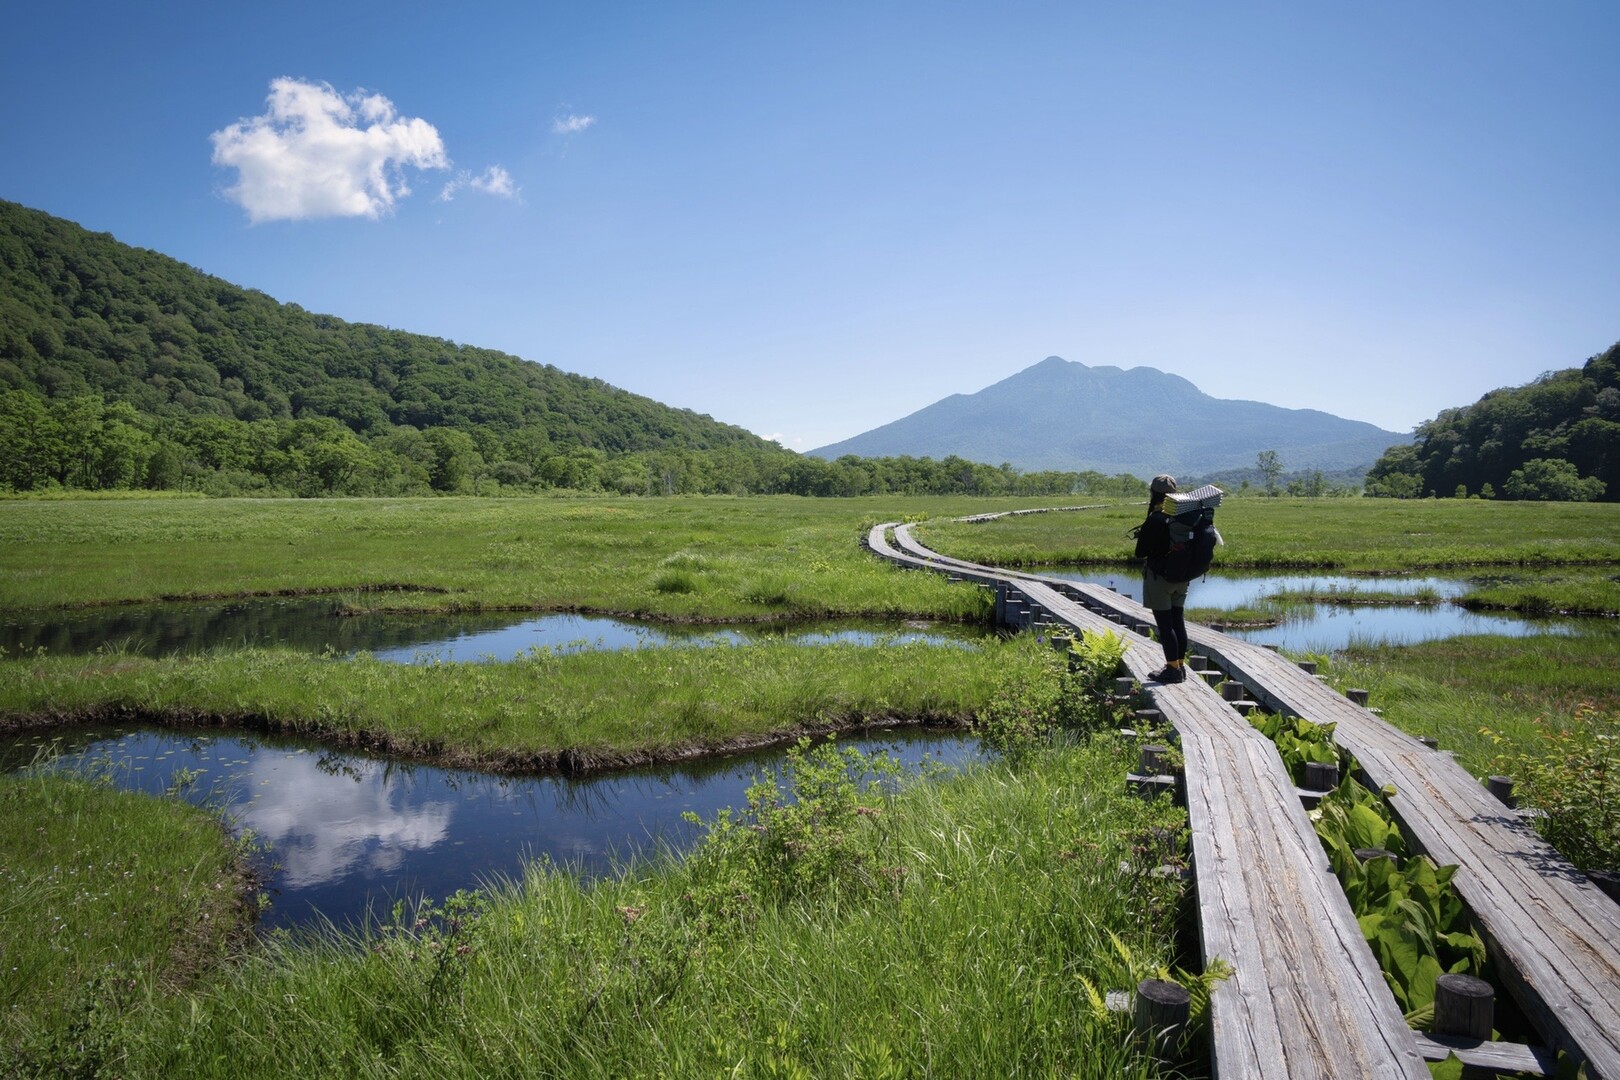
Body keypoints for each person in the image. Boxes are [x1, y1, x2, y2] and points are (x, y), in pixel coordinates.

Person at [1133, 473, 1189, 683]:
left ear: (1153, 493)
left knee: (1165, 625)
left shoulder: (1155, 518)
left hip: (1160, 578)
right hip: (1182, 576)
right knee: (1178, 621)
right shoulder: (1182, 516)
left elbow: (1140, 552)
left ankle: (1172, 669)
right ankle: (1180, 666)